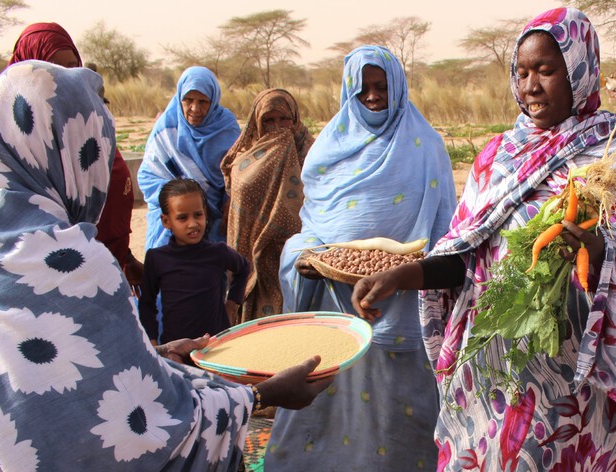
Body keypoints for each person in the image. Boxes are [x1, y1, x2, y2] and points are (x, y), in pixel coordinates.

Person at [351, 9, 616, 470]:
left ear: (579, 67)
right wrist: (402, 275)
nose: (531, 85)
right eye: (522, 72)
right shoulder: (499, 156)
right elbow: (466, 255)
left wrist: (597, 253)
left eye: (547, 70)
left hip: (582, 373)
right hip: (495, 366)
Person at [0, 60, 331, 470]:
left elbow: (41, 378)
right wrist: (261, 396)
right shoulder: (69, 267)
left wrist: (157, 353)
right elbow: (129, 428)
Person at [263, 45, 457, 471]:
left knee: (400, 416)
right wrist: (303, 257)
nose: (372, 96)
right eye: (362, 88)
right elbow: (309, 228)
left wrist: (407, 272)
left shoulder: (425, 145)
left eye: (382, 86)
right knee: (334, 407)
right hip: (335, 307)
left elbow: (448, 233)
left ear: (398, 87)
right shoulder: (327, 148)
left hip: (406, 310)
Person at [8, 22, 144, 295]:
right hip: (62, 294)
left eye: (71, 68)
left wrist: (124, 261)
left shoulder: (89, 130)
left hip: (111, 277)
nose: (65, 80)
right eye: (51, 70)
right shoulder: (16, 150)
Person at [220, 88, 314, 322]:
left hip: (293, 253)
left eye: (284, 119)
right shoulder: (244, 157)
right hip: (252, 256)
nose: (278, 127)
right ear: (256, 123)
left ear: (295, 119)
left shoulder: (312, 154)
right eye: (269, 120)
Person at [137, 66, 240, 251]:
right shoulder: (167, 129)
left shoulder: (227, 127)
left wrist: (230, 200)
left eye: (203, 101)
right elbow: (147, 176)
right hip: (172, 220)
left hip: (215, 221)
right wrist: (180, 200)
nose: (195, 108)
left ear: (213, 100)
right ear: (179, 99)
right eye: (188, 100)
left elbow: (238, 171)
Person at [139, 179, 250, 343]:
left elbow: (243, 268)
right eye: (182, 218)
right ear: (166, 221)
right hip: (176, 349)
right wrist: (153, 341)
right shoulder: (157, 259)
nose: (193, 224)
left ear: (205, 213)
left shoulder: (218, 252)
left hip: (215, 346)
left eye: (198, 215)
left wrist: (232, 304)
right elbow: (147, 304)